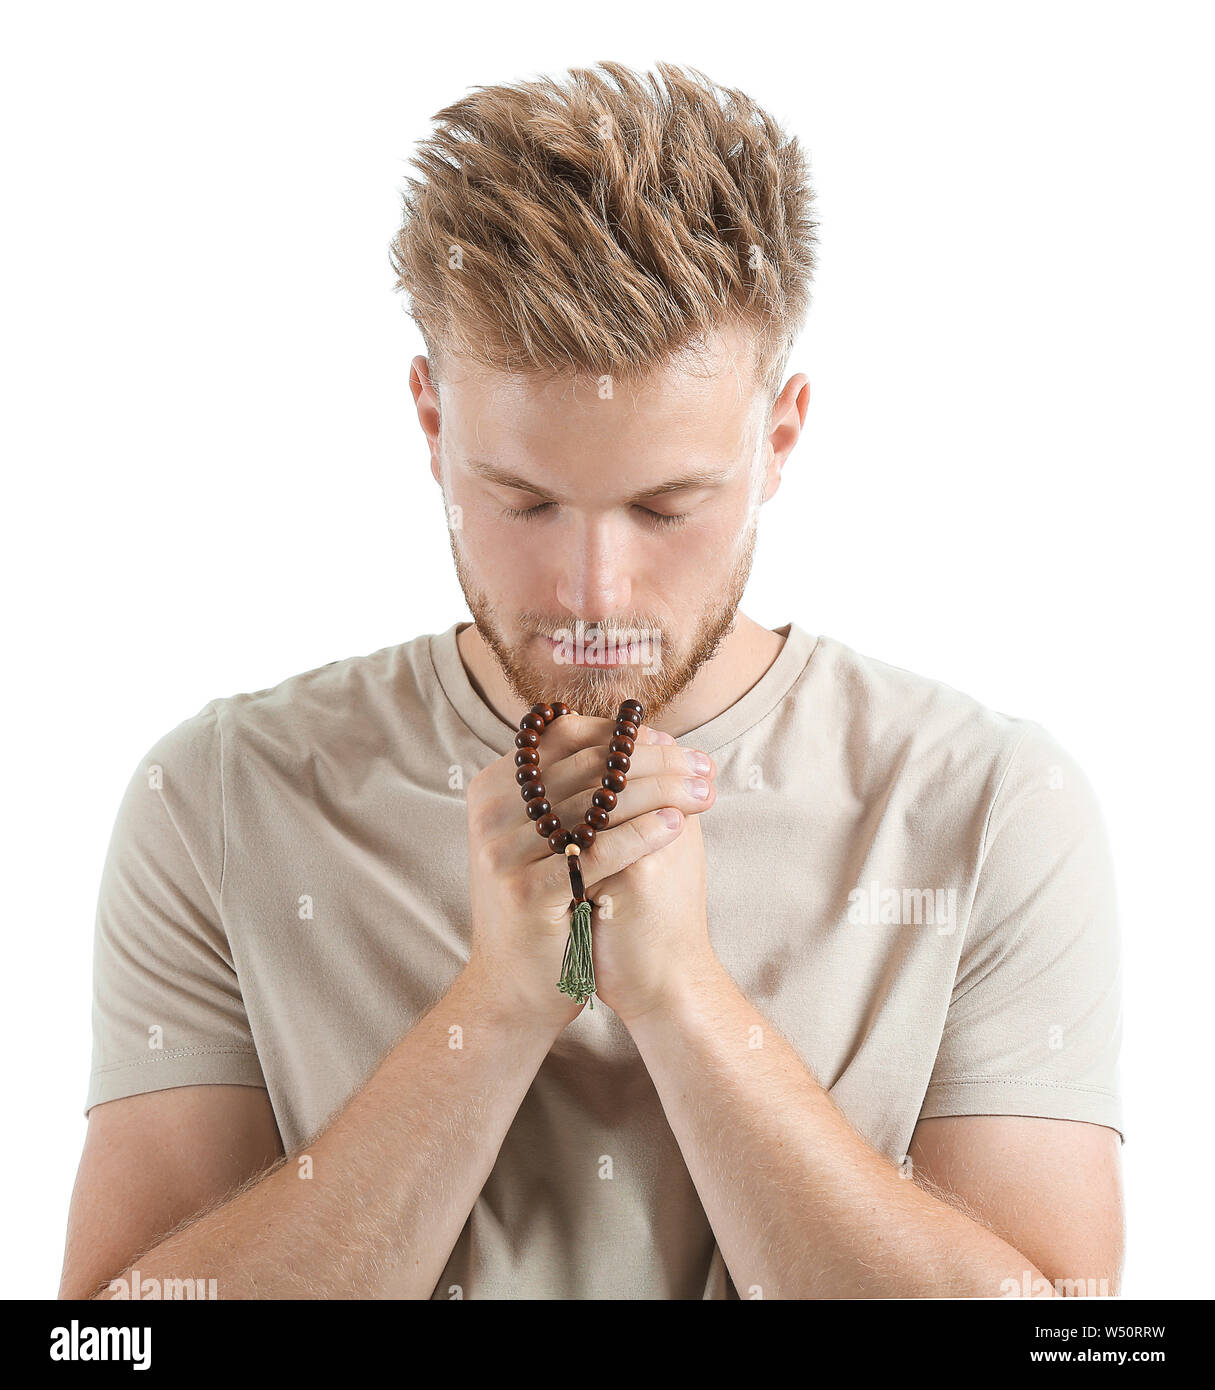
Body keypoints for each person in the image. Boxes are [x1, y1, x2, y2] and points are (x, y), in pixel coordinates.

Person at [60, 61, 1122, 1301]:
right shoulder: (222, 799)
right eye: (525, 499)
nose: (593, 594)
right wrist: (503, 1003)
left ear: (778, 440)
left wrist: (682, 1000)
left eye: (667, 505)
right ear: (431, 421)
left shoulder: (986, 808)